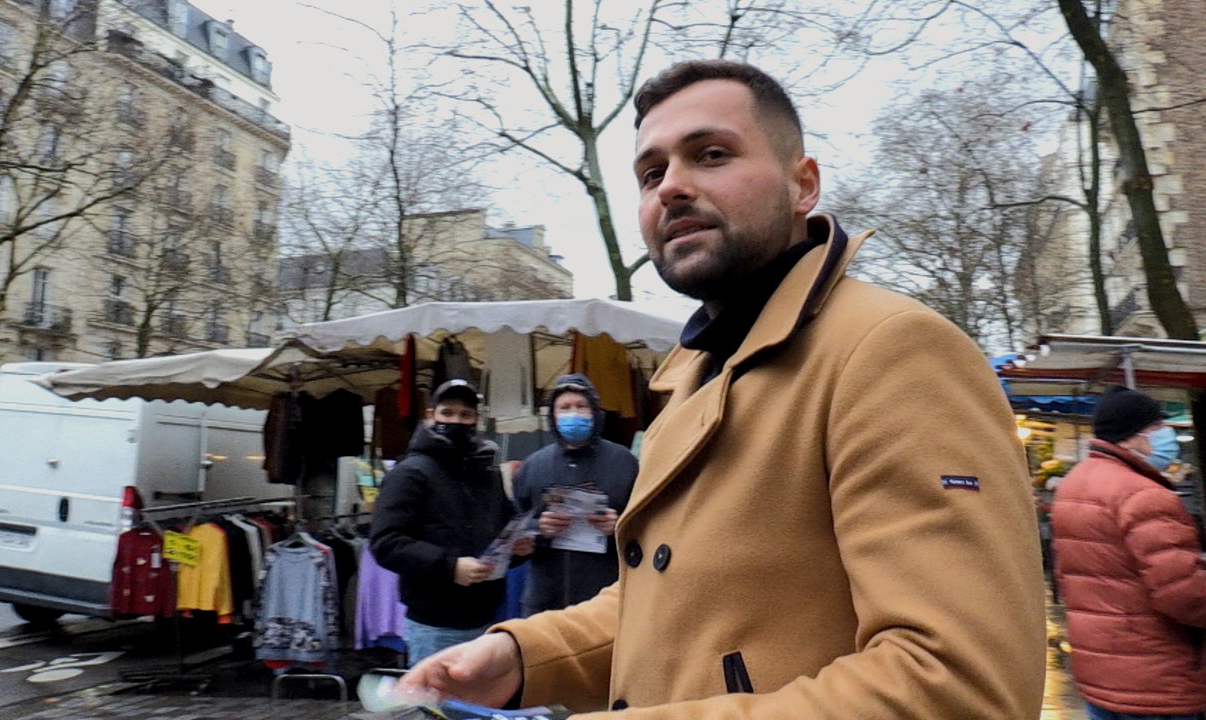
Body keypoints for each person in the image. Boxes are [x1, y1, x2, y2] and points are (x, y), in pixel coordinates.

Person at [398, 59, 1044, 717]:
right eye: (652, 174)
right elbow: (670, 597)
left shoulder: (891, 351)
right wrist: (520, 657)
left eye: (710, 155)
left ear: (804, 184)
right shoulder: (692, 380)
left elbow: (958, 687)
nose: (672, 187)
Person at [1051, 385, 1206, 720]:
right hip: (1157, 680)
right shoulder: (1145, 495)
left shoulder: (1073, 485)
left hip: (1100, 675)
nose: (1165, 436)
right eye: (1156, 428)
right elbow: (1183, 594)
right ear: (1133, 435)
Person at [369, 378, 531, 665]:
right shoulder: (410, 473)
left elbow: (502, 531)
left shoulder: (487, 474)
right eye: (448, 413)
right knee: (437, 708)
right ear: (431, 416)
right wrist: (449, 567)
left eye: (465, 415)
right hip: (434, 627)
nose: (457, 420)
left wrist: (519, 548)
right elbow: (386, 542)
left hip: (485, 620)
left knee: (476, 708)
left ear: (476, 420)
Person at [513, 374, 638, 614]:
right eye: (565, 408)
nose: (574, 414)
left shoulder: (624, 462)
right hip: (545, 600)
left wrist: (619, 526)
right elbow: (513, 533)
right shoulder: (533, 466)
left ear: (595, 413)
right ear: (553, 416)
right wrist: (539, 529)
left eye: (581, 406)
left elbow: (649, 527)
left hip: (606, 599)